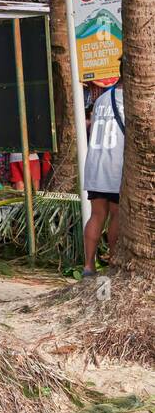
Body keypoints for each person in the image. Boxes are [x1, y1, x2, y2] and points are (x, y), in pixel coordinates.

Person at [83, 77, 124, 277]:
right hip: (116, 165)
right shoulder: (128, 100)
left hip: (95, 164)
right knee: (117, 214)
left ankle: (88, 265)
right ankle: (113, 261)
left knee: (96, 215)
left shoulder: (102, 99)